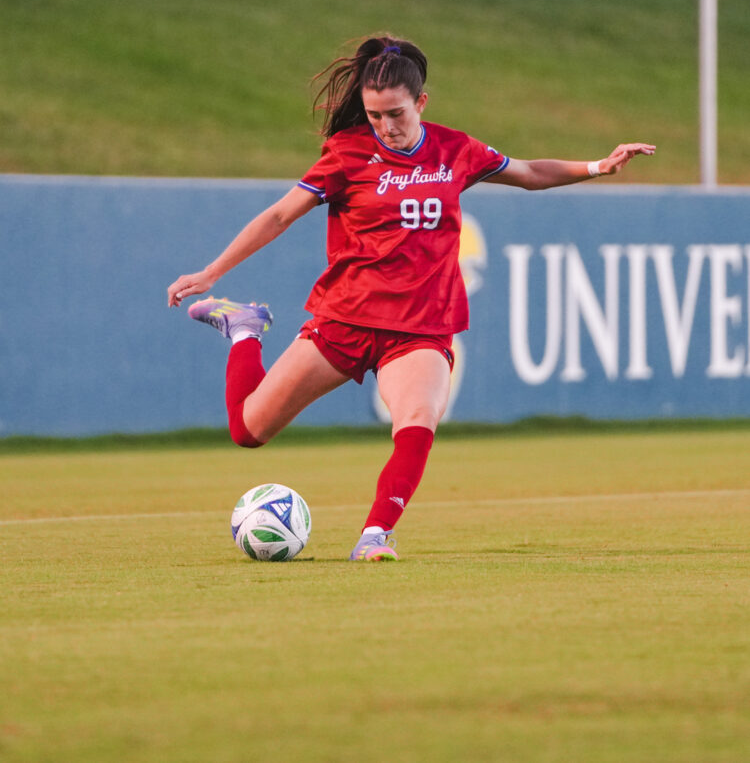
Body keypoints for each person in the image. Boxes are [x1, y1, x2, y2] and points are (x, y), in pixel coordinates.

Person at [167, 34, 655, 562]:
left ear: (420, 103)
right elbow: (280, 215)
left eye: (395, 114)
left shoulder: (456, 150)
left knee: (417, 422)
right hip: (346, 318)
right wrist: (213, 271)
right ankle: (243, 328)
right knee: (248, 431)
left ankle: (376, 535)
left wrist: (595, 167)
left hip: (421, 326)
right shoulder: (348, 154)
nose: (385, 126)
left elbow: (531, 173)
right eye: (374, 116)